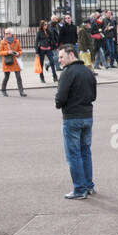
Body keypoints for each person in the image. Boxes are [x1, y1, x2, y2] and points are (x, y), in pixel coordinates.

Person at [55, 44, 97, 198]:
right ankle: (88, 185)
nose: (59, 60)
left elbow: (60, 98)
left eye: (61, 57)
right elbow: (93, 96)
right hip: (87, 116)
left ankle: (79, 189)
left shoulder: (67, 73)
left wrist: (58, 103)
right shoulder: (88, 71)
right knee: (85, 152)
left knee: (74, 155)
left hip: (72, 118)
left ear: (71, 55)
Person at [0, 27, 26, 97]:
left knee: (18, 77)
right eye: (5, 33)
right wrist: (8, 52)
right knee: (6, 77)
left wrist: (18, 53)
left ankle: (21, 91)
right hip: (7, 62)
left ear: (11, 34)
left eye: (8, 33)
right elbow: (0, 52)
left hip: (15, 61)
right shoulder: (2, 42)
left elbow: (20, 50)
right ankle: (3, 90)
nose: (6, 34)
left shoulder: (17, 41)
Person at [35, 19, 57, 84]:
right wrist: (36, 52)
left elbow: (52, 39)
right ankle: (42, 78)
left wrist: (53, 47)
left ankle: (55, 77)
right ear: (42, 25)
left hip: (48, 49)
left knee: (52, 62)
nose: (46, 25)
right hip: (42, 50)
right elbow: (36, 42)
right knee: (41, 64)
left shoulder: (49, 31)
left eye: (46, 24)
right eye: (45, 24)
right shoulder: (39, 32)